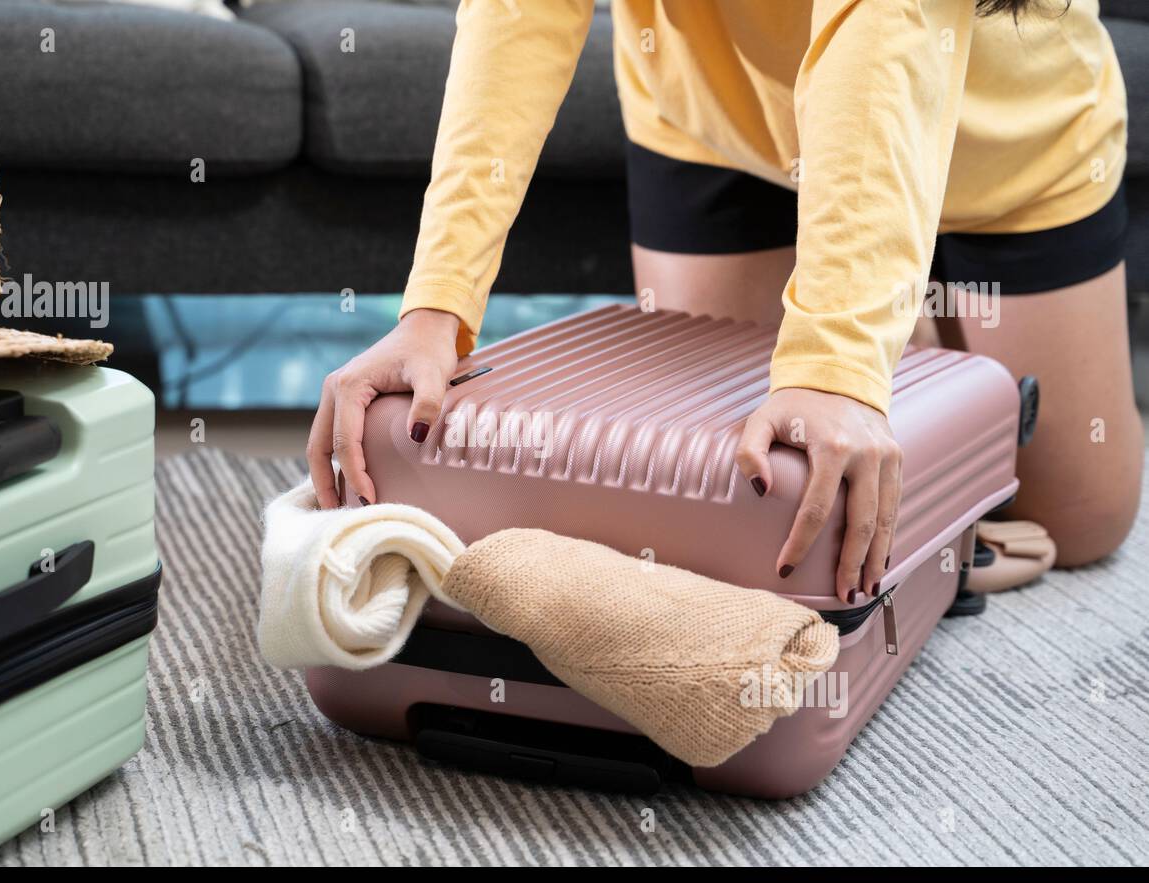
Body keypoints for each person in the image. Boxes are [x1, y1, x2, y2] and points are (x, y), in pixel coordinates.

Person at [306, 0, 1140, 604]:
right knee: (744, 503)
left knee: (1083, 521)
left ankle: (902, 327)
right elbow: (519, 13)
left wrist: (839, 369)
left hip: (1004, 139)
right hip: (725, 120)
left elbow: (889, 35)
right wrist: (434, 310)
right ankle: (904, 334)